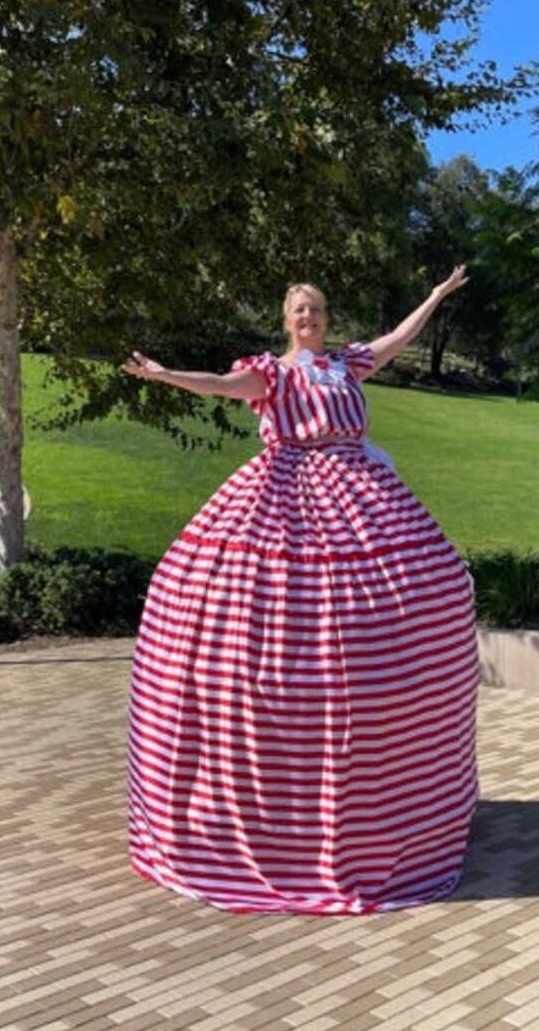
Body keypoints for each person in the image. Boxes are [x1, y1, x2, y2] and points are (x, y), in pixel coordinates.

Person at [122, 269, 479, 914]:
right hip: (284, 497)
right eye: (299, 311)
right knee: (241, 606)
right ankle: (261, 825)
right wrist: (164, 373)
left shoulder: (347, 365)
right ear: (286, 321)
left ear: (325, 317)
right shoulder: (274, 374)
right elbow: (224, 386)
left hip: (362, 495)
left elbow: (398, 338)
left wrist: (435, 295)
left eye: (315, 309)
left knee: (423, 592)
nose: (308, 318)